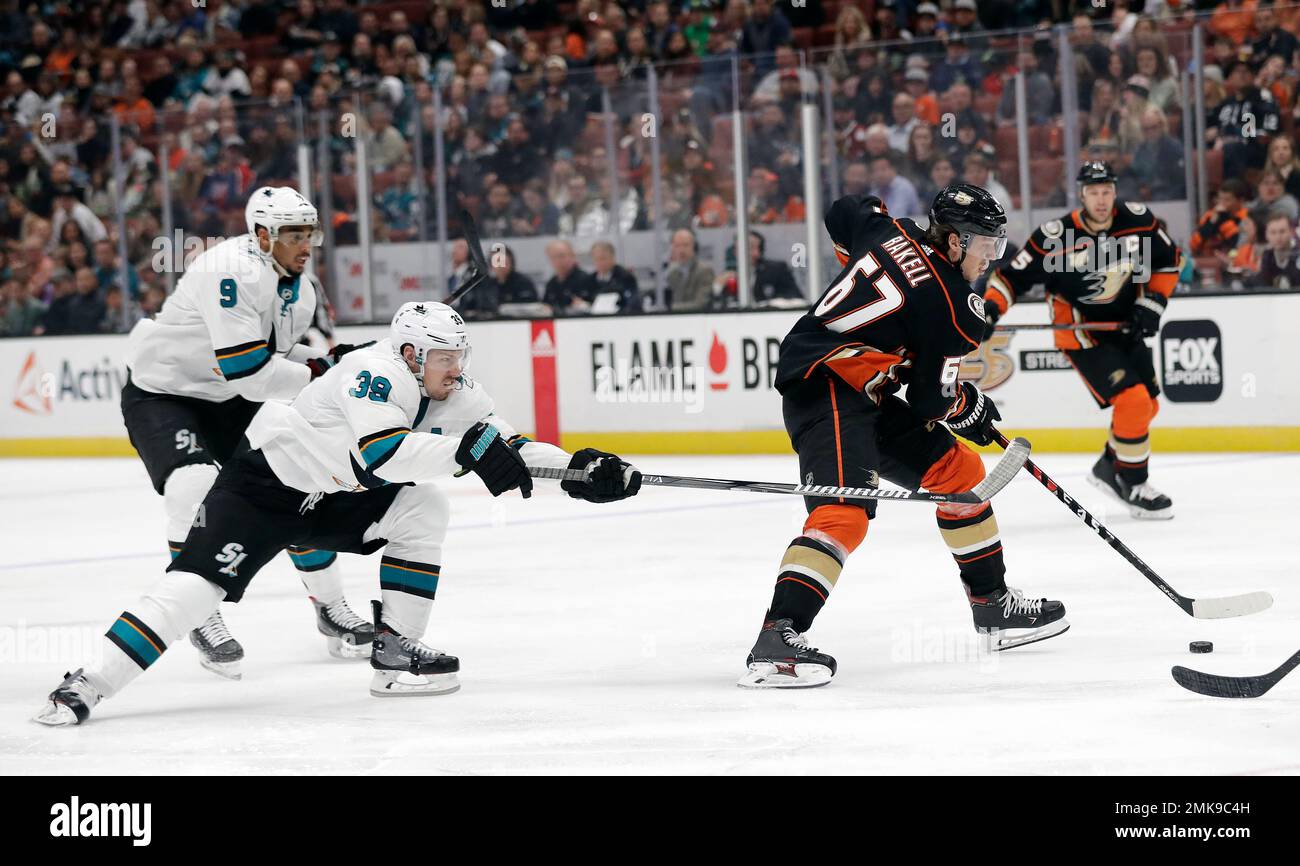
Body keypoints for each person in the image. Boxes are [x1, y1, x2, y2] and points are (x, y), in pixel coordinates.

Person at [35, 302, 643, 725]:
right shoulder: (374, 375)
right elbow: (384, 453)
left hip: (340, 499)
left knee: (423, 507)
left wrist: (576, 470)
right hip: (263, 494)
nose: (458, 369)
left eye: (461, 355)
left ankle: (396, 650)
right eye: (446, 357)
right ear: (410, 353)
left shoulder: (452, 388)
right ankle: (86, 682)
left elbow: (504, 445)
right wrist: (466, 454)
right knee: (194, 590)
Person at [739, 184, 1067, 689]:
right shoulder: (954, 304)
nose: (990, 258)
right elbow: (931, 402)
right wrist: (968, 406)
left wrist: (863, 266)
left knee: (959, 472)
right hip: (823, 382)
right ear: (955, 241)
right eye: (986, 245)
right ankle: (776, 639)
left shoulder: (888, 227)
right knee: (844, 510)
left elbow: (844, 208)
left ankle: (993, 607)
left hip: (858, 387)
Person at [118, 187, 373, 680]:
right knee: (191, 487)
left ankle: (330, 605)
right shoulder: (227, 271)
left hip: (228, 401)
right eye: (292, 235)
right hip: (164, 395)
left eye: (308, 234)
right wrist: (324, 371)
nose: (305, 245)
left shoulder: (300, 287)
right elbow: (249, 373)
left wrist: (339, 360)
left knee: (297, 479)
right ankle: (199, 612)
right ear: (261, 235)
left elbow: (272, 356)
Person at [983, 163, 1181, 519]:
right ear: (1082, 194)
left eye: (1107, 191)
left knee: (1147, 406)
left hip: (1126, 328)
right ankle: (1134, 483)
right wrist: (990, 311)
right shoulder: (1054, 236)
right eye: (1094, 192)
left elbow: (1170, 262)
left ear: (1115, 191)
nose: (1101, 199)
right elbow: (1012, 278)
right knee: (1133, 401)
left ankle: (1109, 468)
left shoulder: (1138, 222)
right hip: (1081, 336)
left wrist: (1152, 304)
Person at [666, 228, 715, 312]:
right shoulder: (673, 274)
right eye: (677, 246)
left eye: (685, 245)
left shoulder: (705, 271)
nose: (681, 250)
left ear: (694, 246)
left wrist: (671, 309)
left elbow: (701, 304)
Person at [1256, 212, 1300, 288]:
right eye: (1273, 232)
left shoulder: (1298, 254)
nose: (1278, 237)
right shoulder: (1266, 257)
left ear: (1291, 232)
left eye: (1282, 231)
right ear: (1266, 235)